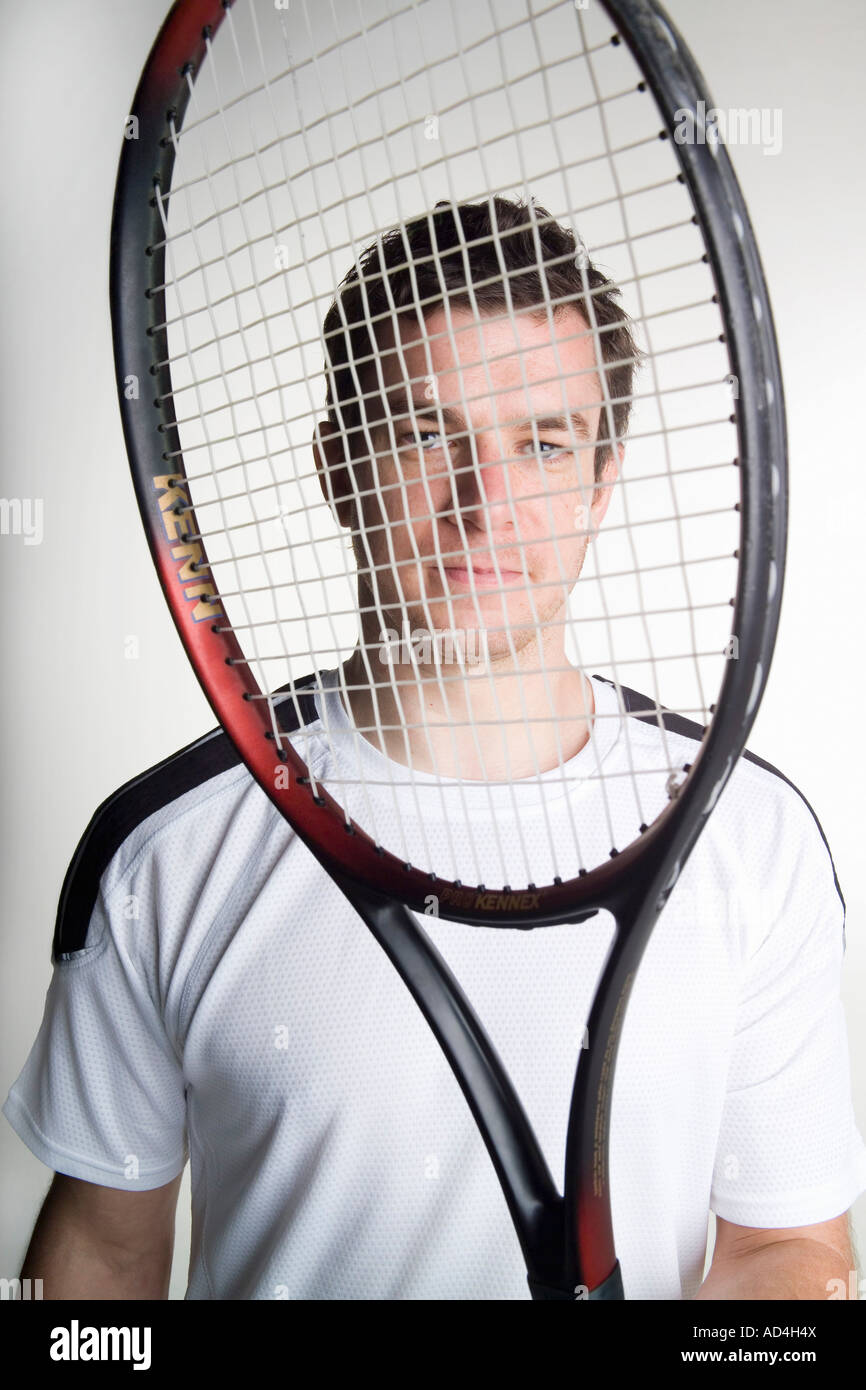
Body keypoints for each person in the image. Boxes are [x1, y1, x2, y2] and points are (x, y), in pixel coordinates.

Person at [5, 198, 865, 1300]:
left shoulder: (748, 837)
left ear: (601, 485)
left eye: (541, 443)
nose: (483, 505)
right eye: (423, 434)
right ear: (335, 464)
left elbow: (784, 1250)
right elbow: (101, 1262)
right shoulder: (162, 851)